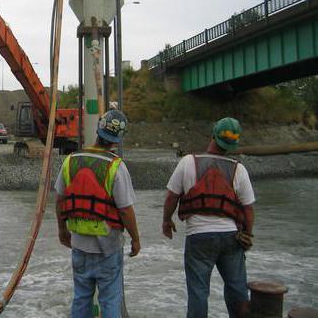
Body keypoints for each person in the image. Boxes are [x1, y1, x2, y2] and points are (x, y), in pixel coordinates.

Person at [162, 117, 255, 318]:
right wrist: (247, 234)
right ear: (233, 144)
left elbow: (171, 196)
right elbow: (248, 209)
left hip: (199, 238)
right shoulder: (238, 169)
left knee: (198, 292)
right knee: (237, 288)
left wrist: (166, 220)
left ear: (212, 135)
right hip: (231, 238)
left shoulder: (188, 162)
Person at [55, 109, 141, 318]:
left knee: (81, 297)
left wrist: (62, 230)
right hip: (108, 247)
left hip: (79, 245)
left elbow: (60, 199)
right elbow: (125, 210)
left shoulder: (71, 161)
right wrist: (136, 240)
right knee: (110, 300)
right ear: (118, 139)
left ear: (98, 129)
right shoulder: (116, 167)